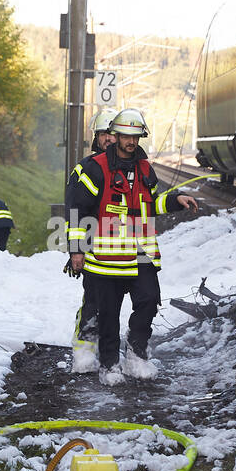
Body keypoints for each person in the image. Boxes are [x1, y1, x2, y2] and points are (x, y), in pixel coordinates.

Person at [68, 108, 199, 385]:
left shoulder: (144, 169)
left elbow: (152, 203)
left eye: (135, 136)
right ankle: (109, 366)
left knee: (149, 302)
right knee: (108, 316)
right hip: (105, 259)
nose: (131, 141)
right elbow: (78, 210)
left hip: (141, 255)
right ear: (115, 136)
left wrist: (176, 201)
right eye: (126, 136)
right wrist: (76, 250)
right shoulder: (95, 168)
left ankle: (136, 355)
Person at [64, 107, 119, 372]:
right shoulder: (85, 169)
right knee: (94, 300)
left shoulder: (131, 168)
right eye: (104, 133)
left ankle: (112, 352)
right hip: (95, 248)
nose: (109, 138)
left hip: (125, 250)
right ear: (96, 138)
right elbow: (76, 213)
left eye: (113, 133)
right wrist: (77, 250)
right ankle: (84, 352)